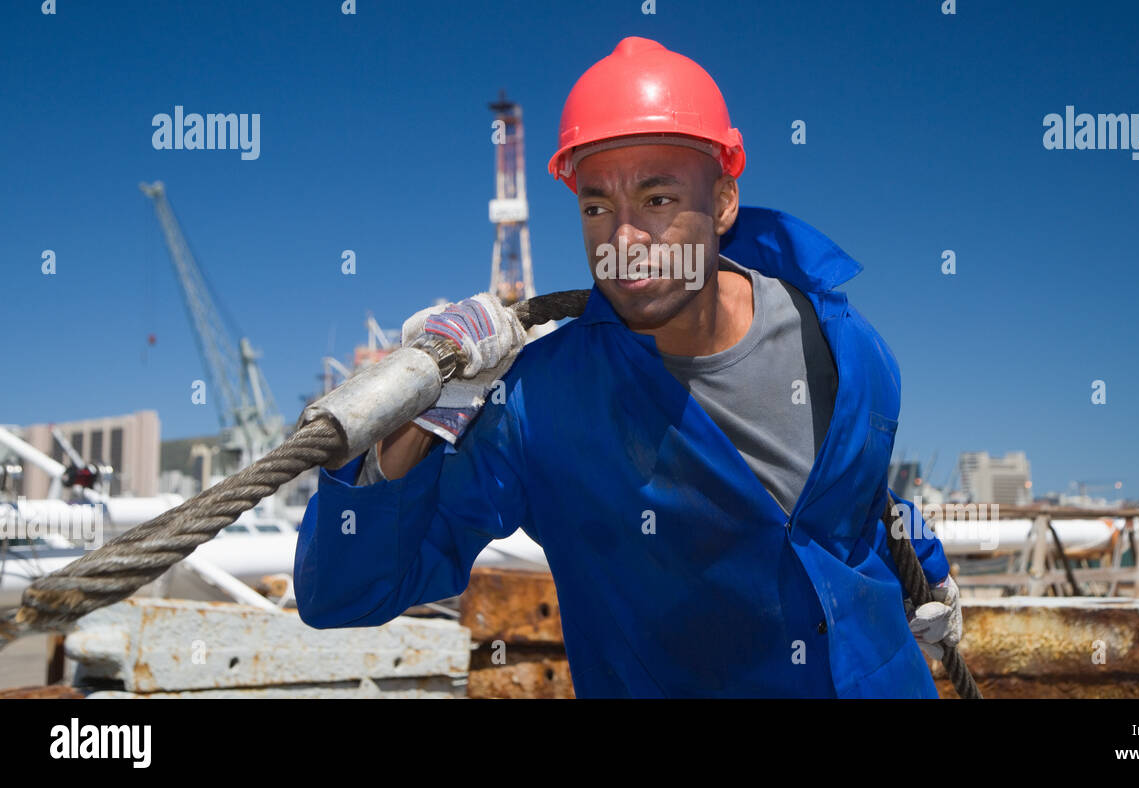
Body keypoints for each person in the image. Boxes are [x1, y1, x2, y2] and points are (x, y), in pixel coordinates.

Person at [293, 36, 961, 697]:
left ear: (724, 201)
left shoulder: (845, 346)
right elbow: (346, 593)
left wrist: (927, 565)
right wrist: (417, 414)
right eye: (595, 206)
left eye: (657, 199)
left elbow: (857, 494)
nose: (623, 240)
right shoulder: (539, 408)